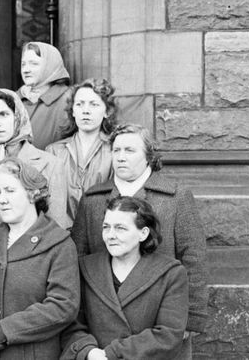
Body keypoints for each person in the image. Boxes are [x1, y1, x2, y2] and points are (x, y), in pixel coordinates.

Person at [71, 124, 208, 356]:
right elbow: (77, 257)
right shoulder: (93, 199)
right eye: (116, 150)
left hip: (159, 320)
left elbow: (194, 257)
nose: (121, 157)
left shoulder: (175, 197)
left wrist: (190, 320)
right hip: (103, 323)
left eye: (130, 150)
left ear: (149, 156)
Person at [0, 158, 79, 359]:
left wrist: (4, 330)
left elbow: (63, 306)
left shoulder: (59, 244)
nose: (2, 199)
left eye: (10, 191)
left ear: (32, 194)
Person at [62, 196, 189, 360]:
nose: (110, 235)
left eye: (120, 228)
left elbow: (168, 334)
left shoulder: (171, 273)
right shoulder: (85, 268)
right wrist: (89, 351)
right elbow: (71, 324)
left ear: (143, 234)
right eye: (106, 227)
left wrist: (113, 353)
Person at [0, 88, 69, 249]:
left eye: (3, 114)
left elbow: (56, 234)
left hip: (31, 265)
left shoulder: (50, 165)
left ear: (18, 117)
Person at [46, 78, 117, 220]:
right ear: (72, 111)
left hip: (100, 232)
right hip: (62, 235)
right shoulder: (54, 151)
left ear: (107, 111)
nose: (86, 111)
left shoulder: (114, 150)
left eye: (94, 104)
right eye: (79, 104)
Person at [17, 42, 73, 150]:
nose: (26, 70)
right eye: (23, 64)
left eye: (34, 64)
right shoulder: (13, 99)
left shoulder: (68, 100)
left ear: (50, 66)